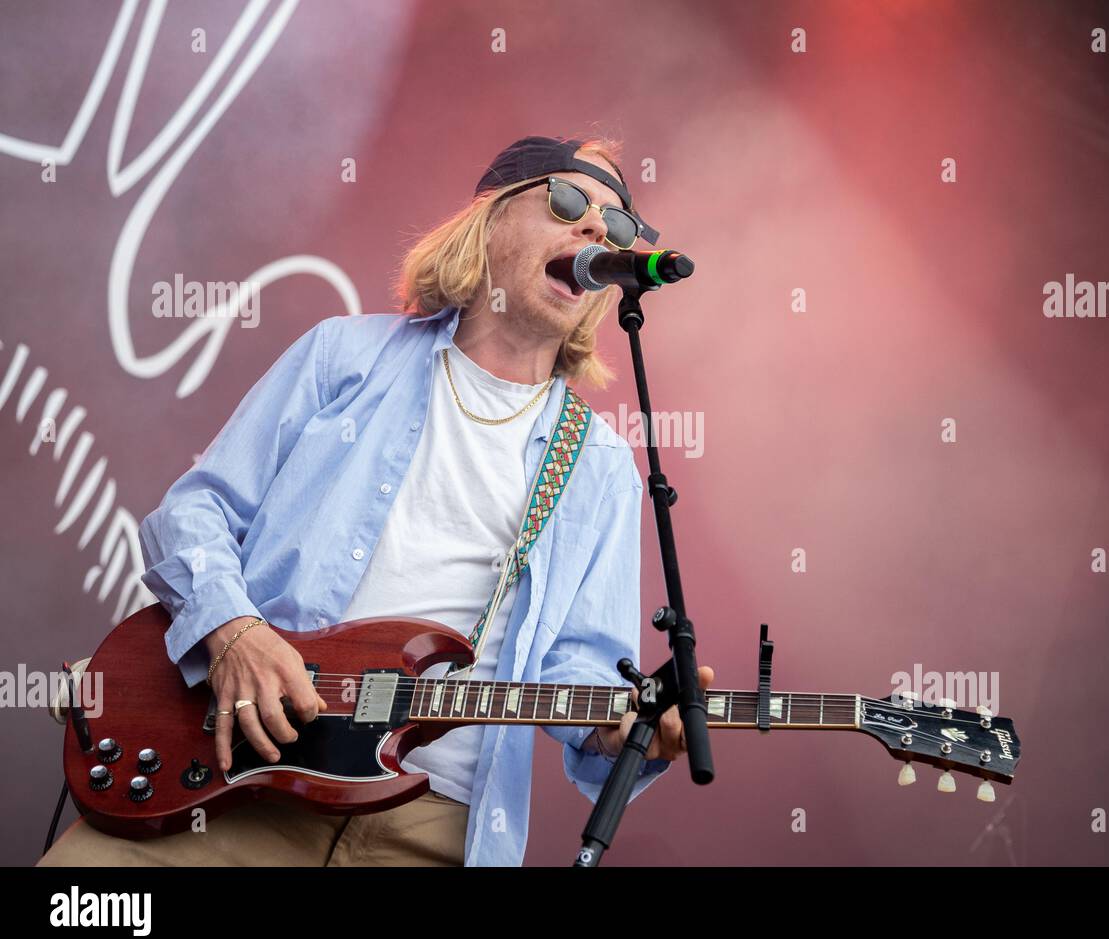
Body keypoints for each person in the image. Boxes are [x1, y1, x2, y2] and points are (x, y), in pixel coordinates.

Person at [38, 134, 713, 867]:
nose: (594, 231)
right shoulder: (343, 358)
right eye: (570, 201)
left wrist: (630, 731)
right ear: (488, 219)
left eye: (616, 228)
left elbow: (584, 678)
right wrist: (234, 634)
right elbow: (194, 515)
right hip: (243, 770)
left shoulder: (600, 464)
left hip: (432, 825)